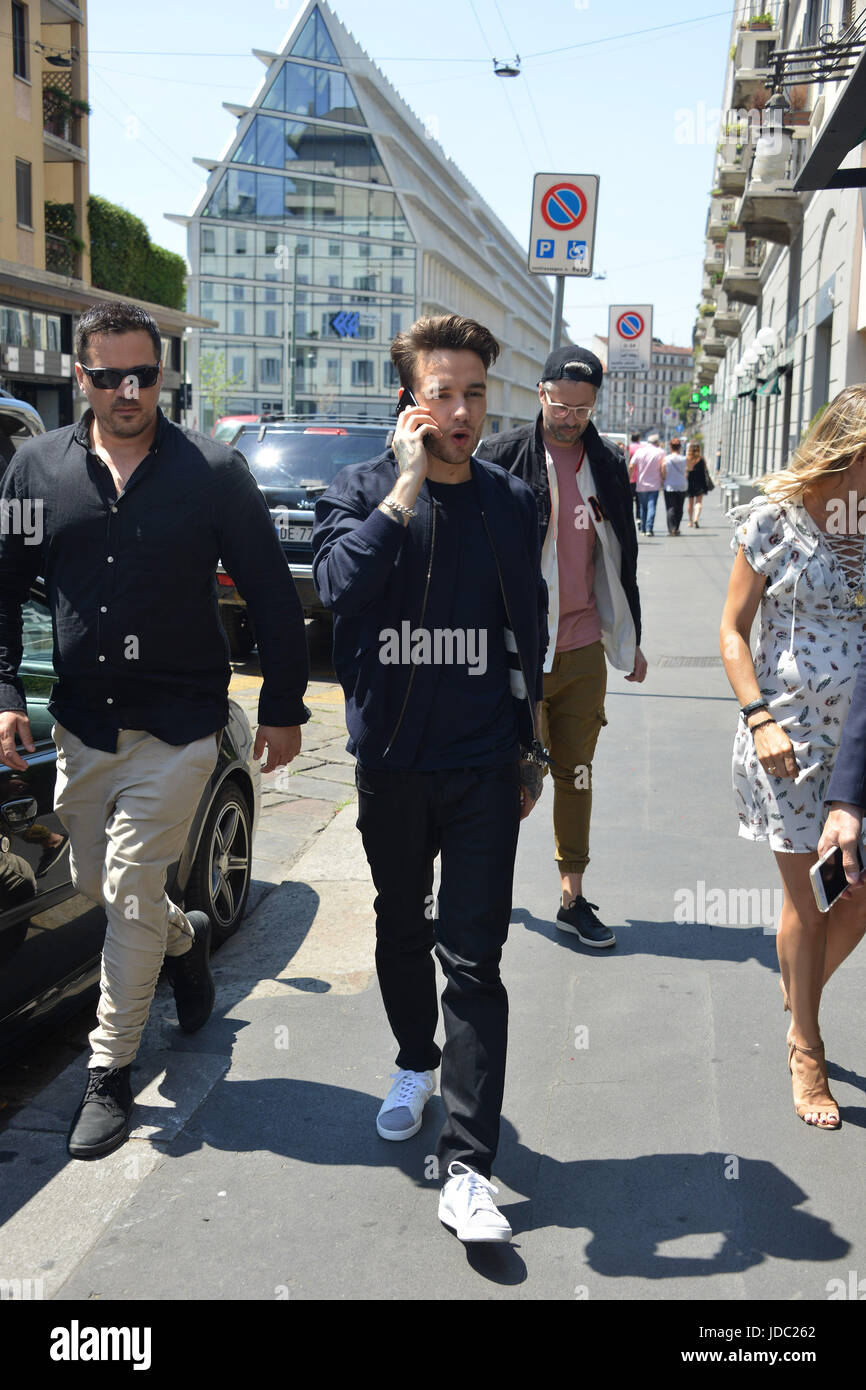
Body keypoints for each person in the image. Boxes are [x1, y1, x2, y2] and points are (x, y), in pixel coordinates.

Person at [0, 302, 309, 1159]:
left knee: (132, 879)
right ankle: (186, 939)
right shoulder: (33, 470)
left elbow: (273, 596)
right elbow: (3, 589)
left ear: (162, 374)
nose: (126, 390)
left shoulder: (212, 472)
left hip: (180, 726)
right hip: (83, 727)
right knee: (106, 883)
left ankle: (109, 1071)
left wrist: (284, 708)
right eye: (107, 376)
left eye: (142, 374)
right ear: (80, 375)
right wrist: (4, 693)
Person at [312, 314, 547, 1244]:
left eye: (475, 393)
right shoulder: (363, 489)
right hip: (394, 765)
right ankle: (415, 1059)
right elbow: (337, 589)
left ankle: (469, 1171)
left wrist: (530, 748)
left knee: (476, 958)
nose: (461, 411)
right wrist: (404, 490)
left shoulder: (509, 498)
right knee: (399, 923)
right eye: (442, 394)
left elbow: (526, 631)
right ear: (409, 402)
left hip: (486, 763)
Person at [719, 385, 866, 1129]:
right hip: (788, 742)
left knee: (858, 897)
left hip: (859, 744)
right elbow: (733, 630)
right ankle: (806, 1050)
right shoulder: (774, 518)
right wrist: (759, 717)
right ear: (848, 452)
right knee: (810, 900)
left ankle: (797, 992)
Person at [476, 345, 646, 950]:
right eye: (560, 402)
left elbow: (620, 556)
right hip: (515, 649)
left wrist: (631, 639)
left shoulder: (606, 462)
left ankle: (572, 898)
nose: (570, 416)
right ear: (540, 393)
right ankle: (481, 895)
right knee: (507, 777)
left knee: (575, 774)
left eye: (582, 406)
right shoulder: (500, 456)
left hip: (581, 650)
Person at [632, 432, 665, 536]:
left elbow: (631, 465)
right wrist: (663, 478)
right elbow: (663, 466)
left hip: (641, 483)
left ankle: (642, 528)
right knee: (652, 507)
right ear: (657, 442)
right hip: (654, 484)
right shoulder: (660, 452)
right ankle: (649, 529)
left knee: (643, 507)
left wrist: (629, 478)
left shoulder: (640, 451)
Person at [662, 436, 688, 536]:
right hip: (682, 486)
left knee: (670, 508)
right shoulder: (684, 459)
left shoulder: (666, 459)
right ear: (680, 447)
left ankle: (671, 529)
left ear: (671, 447)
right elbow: (687, 471)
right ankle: (676, 527)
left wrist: (663, 479)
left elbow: (663, 471)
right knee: (679, 508)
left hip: (669, 486)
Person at [686, 441, 712, 526]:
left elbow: (686, 471)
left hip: (690, 482)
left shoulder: (688, 459)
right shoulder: (701, 459)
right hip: (700, 482)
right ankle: (696, 518)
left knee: (690, 502)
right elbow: (705, 470)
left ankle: (690, 521)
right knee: (699, 502)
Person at [628, 432, 641, 522]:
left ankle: (629, 517)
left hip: (630, 477)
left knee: (628, 499)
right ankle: (638, 518)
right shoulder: (642, 448)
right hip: (640, 477)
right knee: (639, 500)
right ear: (639, 438)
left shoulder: (629, 447)